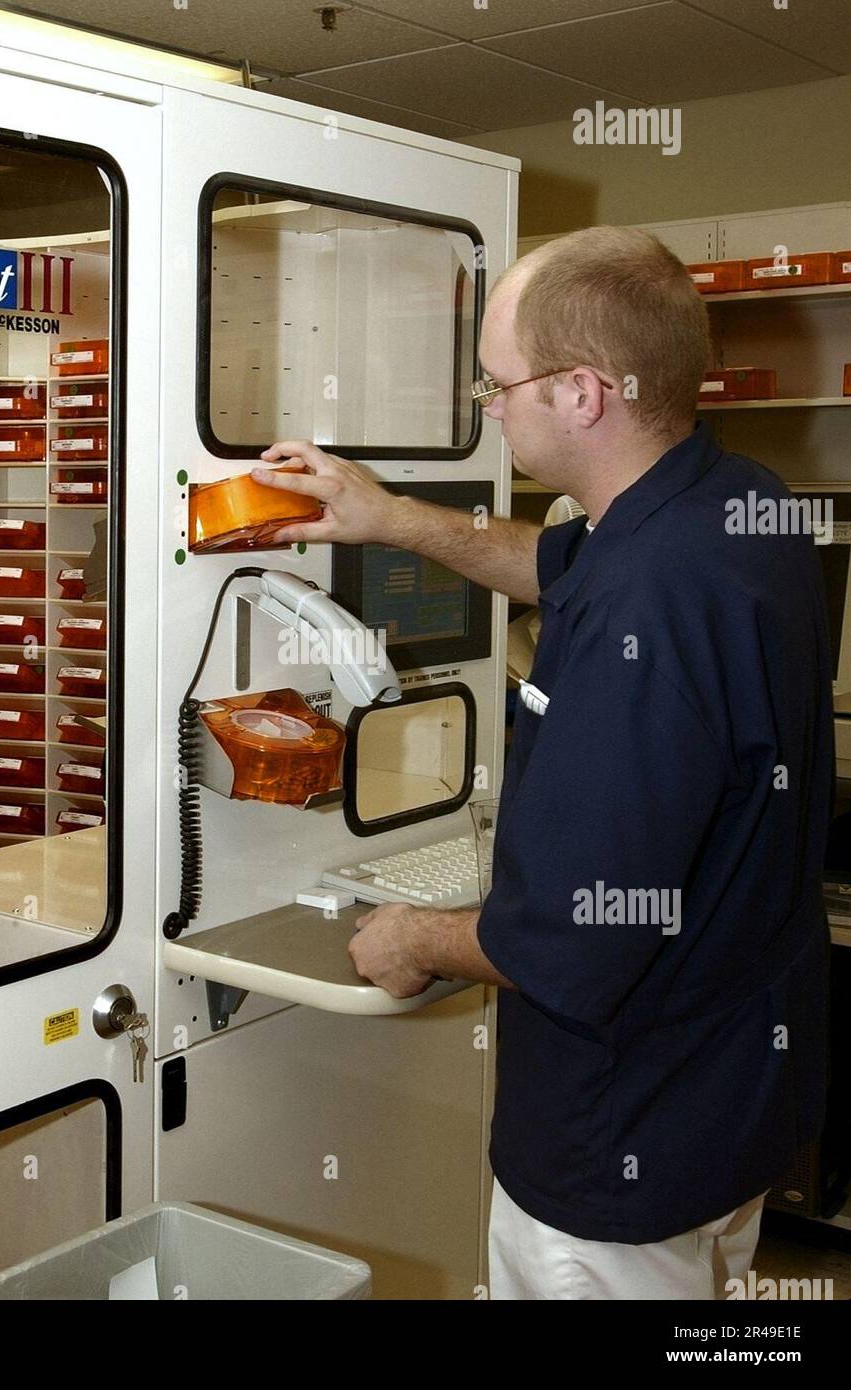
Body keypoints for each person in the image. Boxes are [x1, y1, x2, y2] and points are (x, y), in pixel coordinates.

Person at [250, 226, 831, 1300]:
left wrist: (411, 936)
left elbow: (574, 934)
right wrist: (385, 518)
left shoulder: (643, 612)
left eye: (496, 384)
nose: (490, 406)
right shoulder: (736, 509)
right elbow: (551, 565)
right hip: (735, 1105)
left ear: (581, 393)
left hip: (619, 1150)